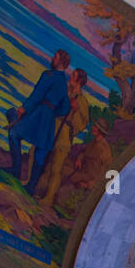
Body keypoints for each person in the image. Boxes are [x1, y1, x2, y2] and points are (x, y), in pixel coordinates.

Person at [7, 49, 70, 196]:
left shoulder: (48, 75)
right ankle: (31, 187)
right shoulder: (63, 81)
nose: (52, 58)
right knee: (41, 152)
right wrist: (53, 111)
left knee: (14, 133)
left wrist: (25, 107)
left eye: (55, 57)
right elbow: (65, 108)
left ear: (60, 62)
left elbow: (37, 94)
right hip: (49, 120)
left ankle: (15, 170)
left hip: (39, 113)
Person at [40, 68, 89, 207]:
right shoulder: (64, 91)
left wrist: (76, 110)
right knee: (43, 160)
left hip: (64, 136)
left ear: (79, 80)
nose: (70, 76)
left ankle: (48, 199)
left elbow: (81, 124)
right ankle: (37, 189)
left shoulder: (82, 102)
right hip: (52, 128)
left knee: (56, 168)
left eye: (73, 75)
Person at [68, 116, 113, 191]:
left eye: (95, 126)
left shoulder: (104, 148)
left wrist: (88, 185)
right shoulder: (93, 142)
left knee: (67, 174)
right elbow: (85, 153)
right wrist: (79, 159)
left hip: (89, 178)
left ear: (100, 131)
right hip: (83, 171)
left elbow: (106, 172)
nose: (92, 127)